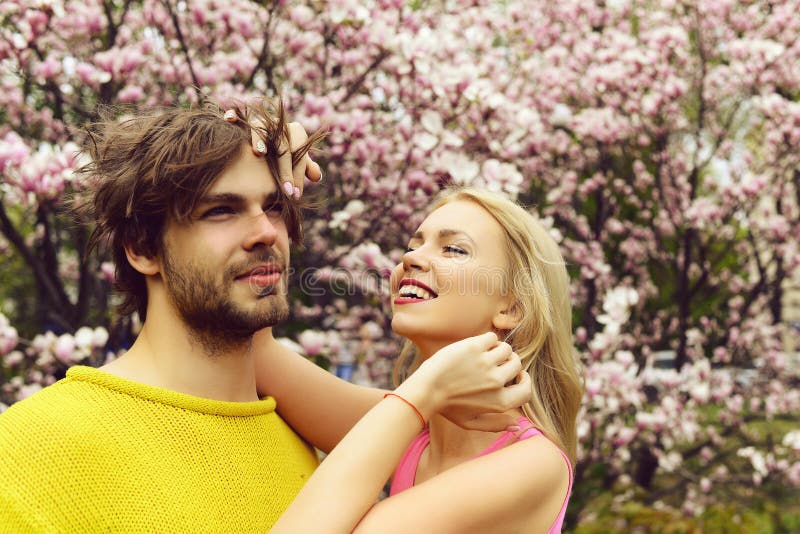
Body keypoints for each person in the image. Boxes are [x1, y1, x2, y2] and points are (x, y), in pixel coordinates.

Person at [0, 99, 530, 532]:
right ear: (142, 247)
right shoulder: (27, 455)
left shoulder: (312, 438)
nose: (266, 233)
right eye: (221, 210)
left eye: (275, 206)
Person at [257, 188, 584, 533]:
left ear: (512, 307)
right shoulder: (416, 428)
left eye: (453, 249)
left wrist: (424, 391)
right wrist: (277, 183)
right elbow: (258, 356)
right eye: (413, 246)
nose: (410, 259)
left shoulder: (534, 465)